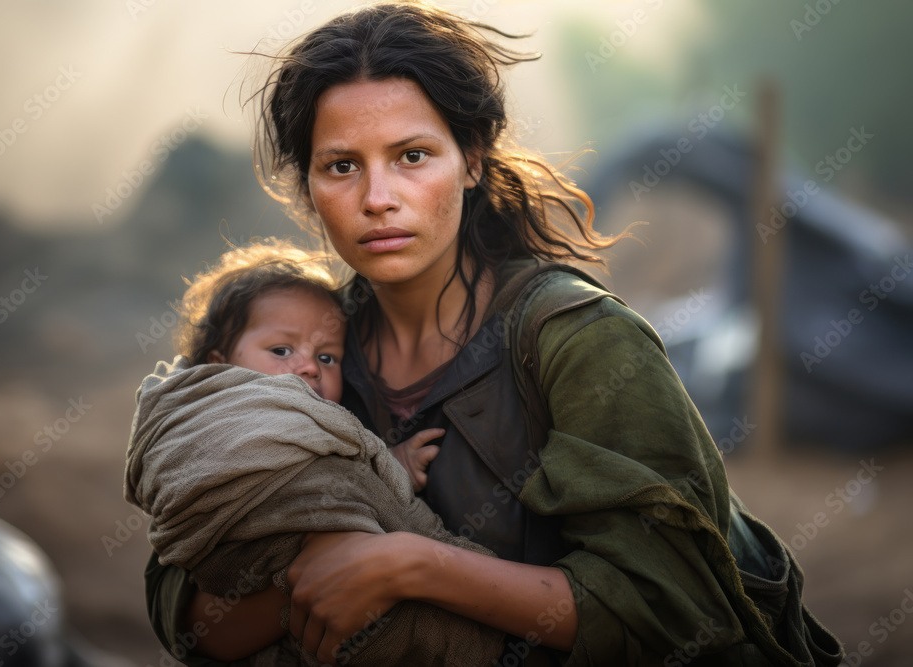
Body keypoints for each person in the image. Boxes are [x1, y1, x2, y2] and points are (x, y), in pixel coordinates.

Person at [143, 2, 844, 665]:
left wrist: (411, 563)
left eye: (412, 155)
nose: (378, 197)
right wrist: (309, 574)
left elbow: (674, 609)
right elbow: (189, 595)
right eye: (342, 165)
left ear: (472, 159)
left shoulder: (583, 342)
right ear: (309, 186)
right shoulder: (298, 352)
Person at [125, 241, 505, 665]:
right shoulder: (219, 418)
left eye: (327, 356)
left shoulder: (329, 422)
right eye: (282, 350)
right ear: (220, 364)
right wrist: (389, 476)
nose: (308, 367)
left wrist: (388, 464)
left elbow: (339, 468)